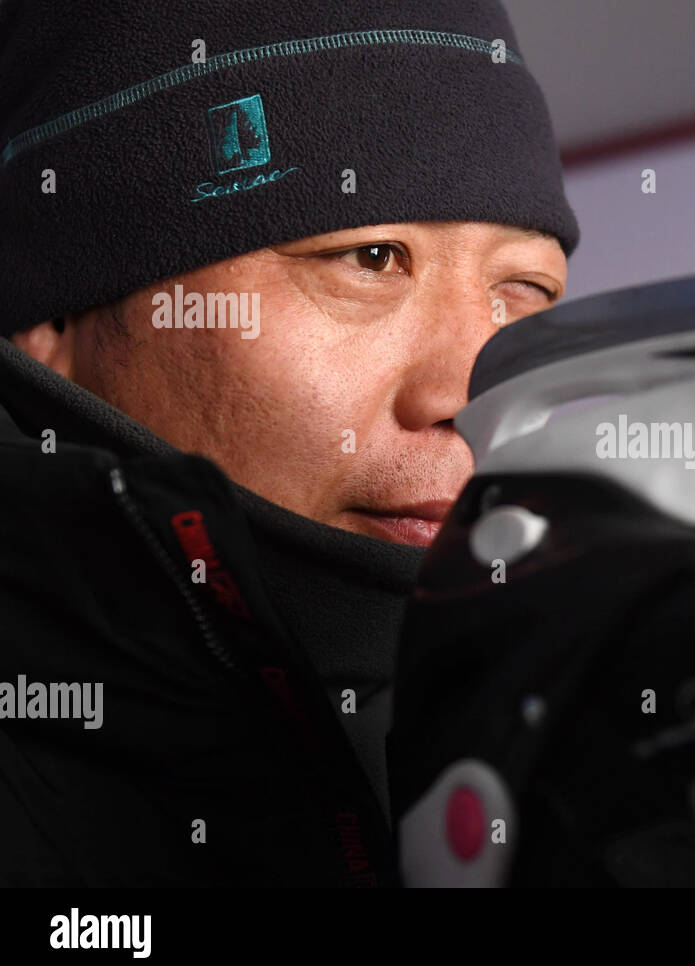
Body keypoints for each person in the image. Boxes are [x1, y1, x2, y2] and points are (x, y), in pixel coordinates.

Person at [0, 0, 577, 885]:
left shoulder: (586, 742)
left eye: (526, 288)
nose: (470, 393)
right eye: (372, 258)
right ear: (58, 317)